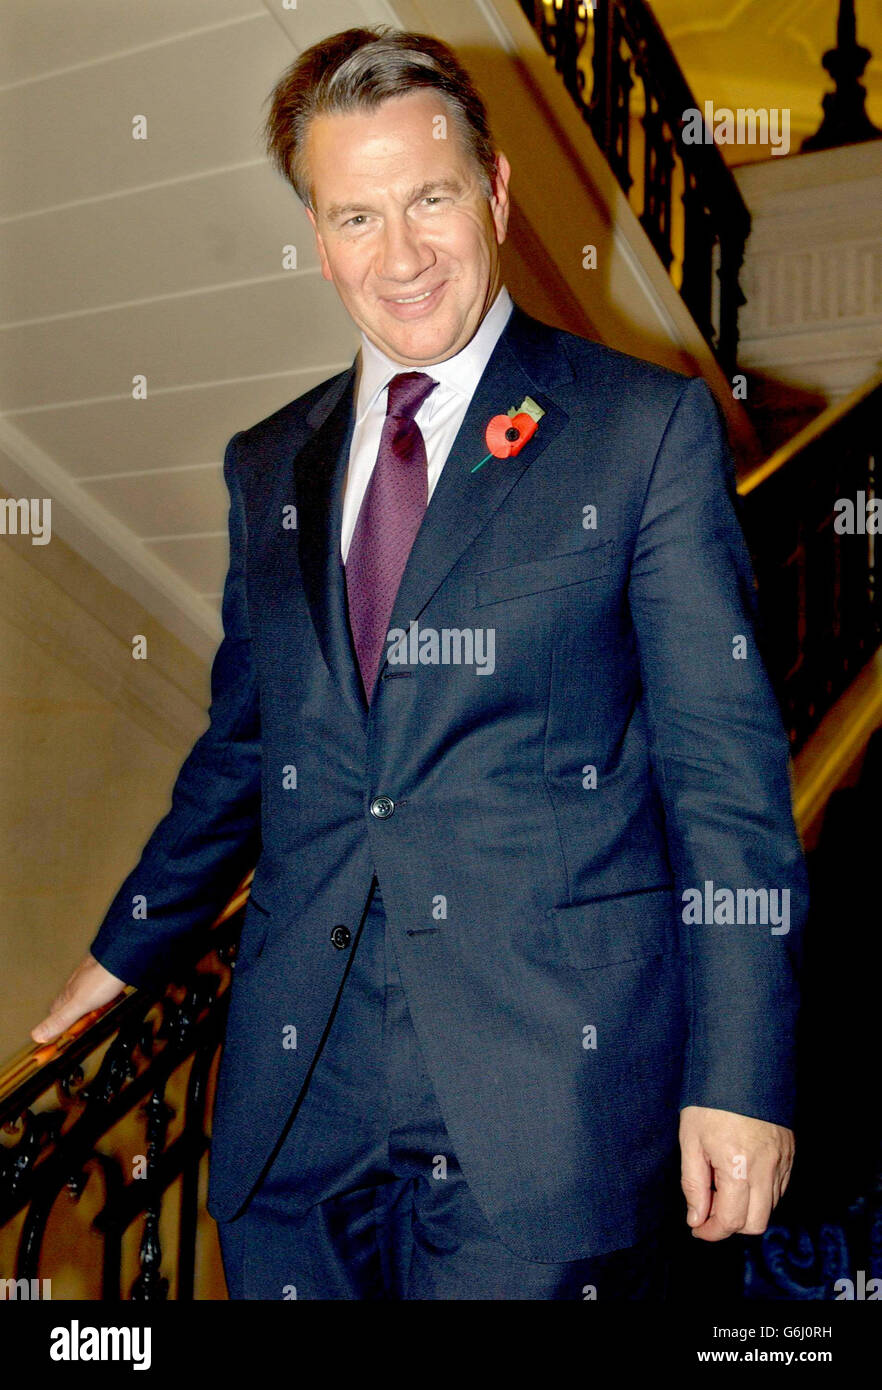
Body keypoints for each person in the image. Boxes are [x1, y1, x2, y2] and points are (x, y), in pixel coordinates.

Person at [32, 26, 808, 1300]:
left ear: (494, 192)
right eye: (354, 216)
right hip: (300, 1095)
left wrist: (740, 1077)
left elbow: (725, 781)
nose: (400, 257)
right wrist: (117, 955)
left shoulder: (641, 430)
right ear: (316, 233)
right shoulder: (265, 462)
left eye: (431, 198)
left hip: (544, 1087)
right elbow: (244, 745)